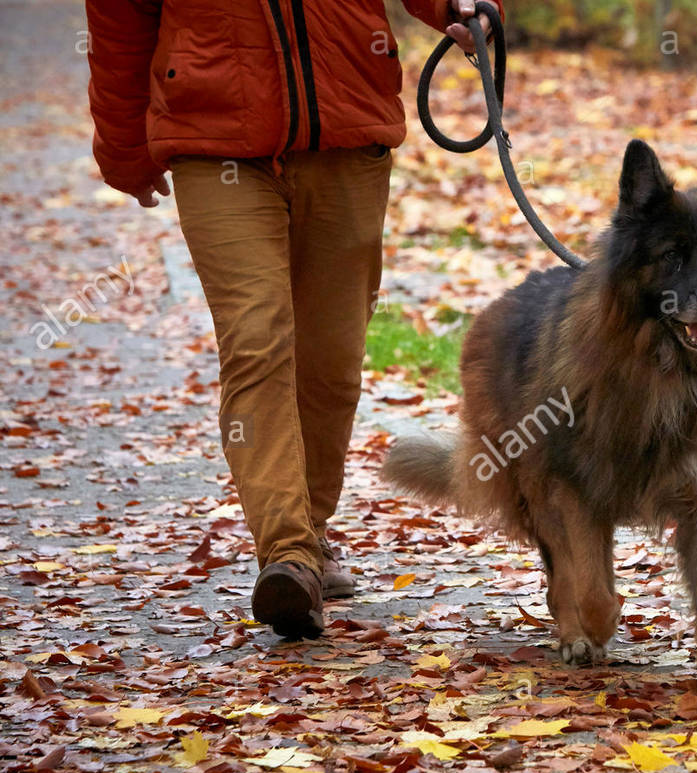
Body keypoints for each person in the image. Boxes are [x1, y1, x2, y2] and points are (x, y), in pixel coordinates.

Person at [85, 0, 504, 638]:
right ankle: (288, 553)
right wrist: (124, 148)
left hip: (346, 134)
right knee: (255, 340)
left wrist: (458, 5)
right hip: (214, 142)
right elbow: (119, 20)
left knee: (331, 358)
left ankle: (311, 529)